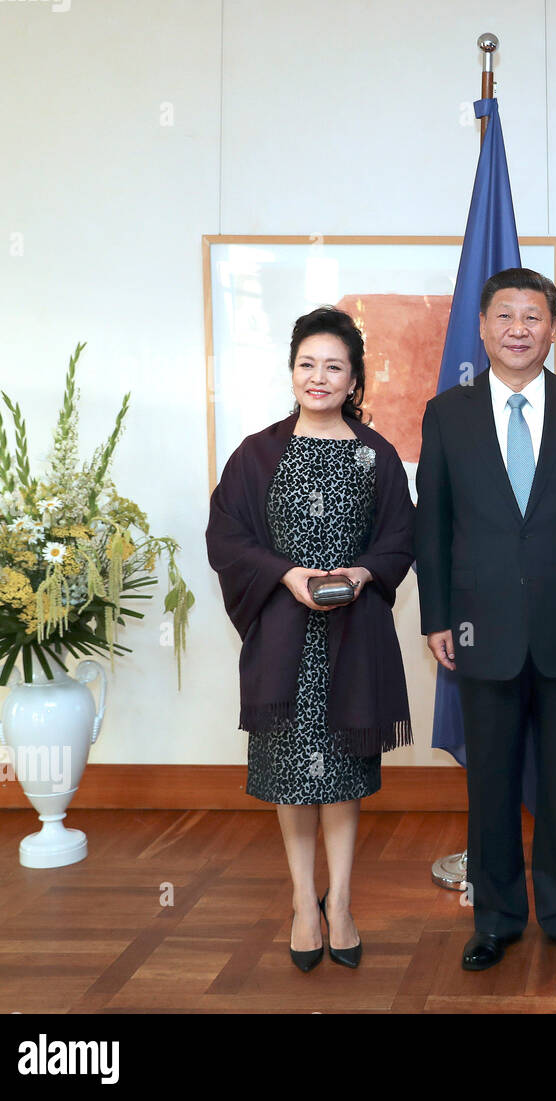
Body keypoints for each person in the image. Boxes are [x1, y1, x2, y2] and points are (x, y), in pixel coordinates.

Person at [415, 267, 556, 972]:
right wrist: (438, 616)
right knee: (491, 784)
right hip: (479, 629)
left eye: (532, 316)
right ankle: (496, 917)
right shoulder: (447, 412)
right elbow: (434, 525)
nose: (518, 329)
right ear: (482, 327)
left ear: (551, 327)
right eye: (505, 316)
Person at [206, 306, 414, 973]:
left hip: (353, 639)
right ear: (291, 370)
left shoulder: (373, 453)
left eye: (334, 367)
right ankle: (303, 902)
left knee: (344, 776)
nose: (318, 378)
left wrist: (361, 571)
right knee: (291, 779)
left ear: (354, 380)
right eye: (307, 364)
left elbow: (399, 539)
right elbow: (226, 538)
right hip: (283, 639)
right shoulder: (258, 452)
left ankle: (343, 902)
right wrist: (286, 574)